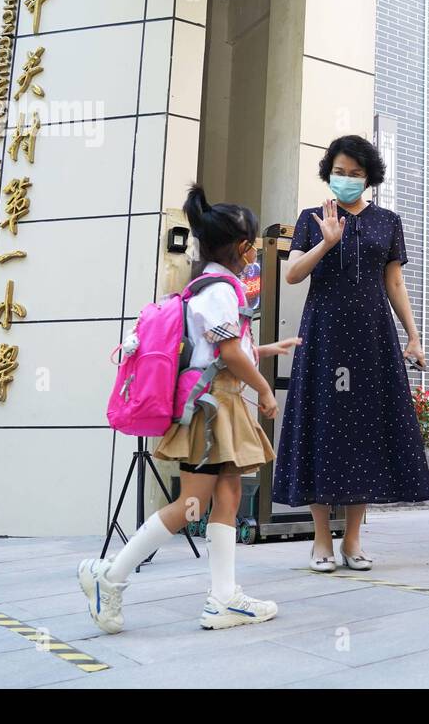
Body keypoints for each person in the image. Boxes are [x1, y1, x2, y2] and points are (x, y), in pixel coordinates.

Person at [78, 186, 301, 633]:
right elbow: (230, 354)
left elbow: (225, 348)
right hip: (213, 406)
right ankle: (111, 576)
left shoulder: (208, 286)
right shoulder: (221, 289)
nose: (254, 251)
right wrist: (267, 390)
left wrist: (269, 349)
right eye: (253, 244)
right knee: (193, 503)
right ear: (242, 247)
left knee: (227, 495)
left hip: (214, 403)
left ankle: (223, 597)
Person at [274, 135, 429, 573]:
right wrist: (326, 242)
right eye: (339, 172)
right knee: (322, 427)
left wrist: (413, 336)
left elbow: (395, 283)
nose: (346, 179)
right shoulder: (311, 219)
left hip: (372, 337)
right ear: (329, 172)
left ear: (370, 177)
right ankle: (321, 540)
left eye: (355, 173)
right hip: (325, 336)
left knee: (367, 431)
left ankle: (354, 539)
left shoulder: (388, 221)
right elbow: (292, 274)